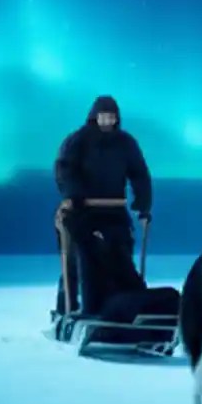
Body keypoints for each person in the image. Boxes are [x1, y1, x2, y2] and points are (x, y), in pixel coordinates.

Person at [53, 95, 153, 316]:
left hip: (114, 210)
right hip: (82, 211)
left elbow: (139, 173)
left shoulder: (126, 143)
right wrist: (74, 194)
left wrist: (143, 204)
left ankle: (117, 310)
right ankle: (67, 309)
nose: (107, 121)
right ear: (94, 117)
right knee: (79, 260)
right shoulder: (78, 140)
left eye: (112, 117)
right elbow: (65, 169)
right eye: (103, 117)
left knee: (120, 258)